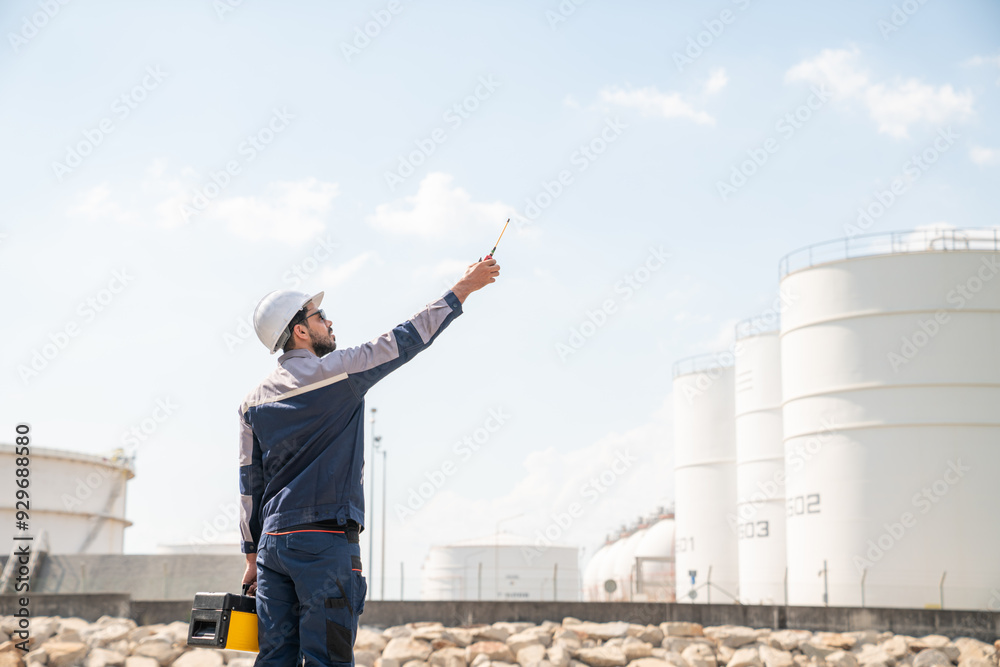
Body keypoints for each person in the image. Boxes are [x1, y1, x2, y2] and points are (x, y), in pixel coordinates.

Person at [238, 258, 500, 666]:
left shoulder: (252, 403)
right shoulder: (338, 372)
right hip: (324, 542)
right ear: (301, 331)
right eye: (319, 316)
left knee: (274, 659)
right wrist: (464, 287)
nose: (329, 322)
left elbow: (249, 485)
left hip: (272, 549)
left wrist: (253, 556)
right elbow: (408, 337)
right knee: (328, 658)